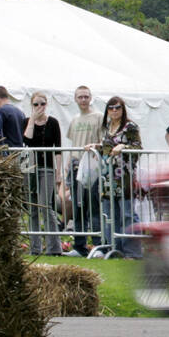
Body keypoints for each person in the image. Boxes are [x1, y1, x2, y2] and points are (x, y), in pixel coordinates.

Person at [87, 95, 143, 258]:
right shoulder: (107, 127)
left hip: (124, 178)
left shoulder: (130, 127)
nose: (114, 111)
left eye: (117, 107)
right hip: (107, 177)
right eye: (111, 108)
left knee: (127, 214)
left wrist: (124, 146)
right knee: (109, 215)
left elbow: (138, 147)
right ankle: (114, 248)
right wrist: (96, 146)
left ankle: (132, 252)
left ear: (123, 109)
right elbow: (107, 146)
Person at [22, 90, 63, 255]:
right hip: (29, 167)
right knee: (31, 208)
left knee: (46, 206)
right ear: (31, 106)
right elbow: (27, 139)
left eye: (42, 104)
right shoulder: (26, 121)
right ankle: (35, 247)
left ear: (47, 105)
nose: (39, 107)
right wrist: (32, 119)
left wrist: (58, 172)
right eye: (36, 104)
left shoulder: (53, 122)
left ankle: (54, 248)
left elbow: (58, 149)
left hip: (47, 167)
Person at [66, 85, 104, 257]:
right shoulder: (74, 120)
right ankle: (79, 246)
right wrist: (67, 166)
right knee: (78, 207)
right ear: (75, 99)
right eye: (80, 97)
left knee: (93, 207)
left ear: (91, 98)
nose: (83, 100)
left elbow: (103, 141)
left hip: (92, 167)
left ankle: (97, 245)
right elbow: (72, 144)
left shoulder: (98, 117)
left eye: (86, 97)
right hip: (75, 166)